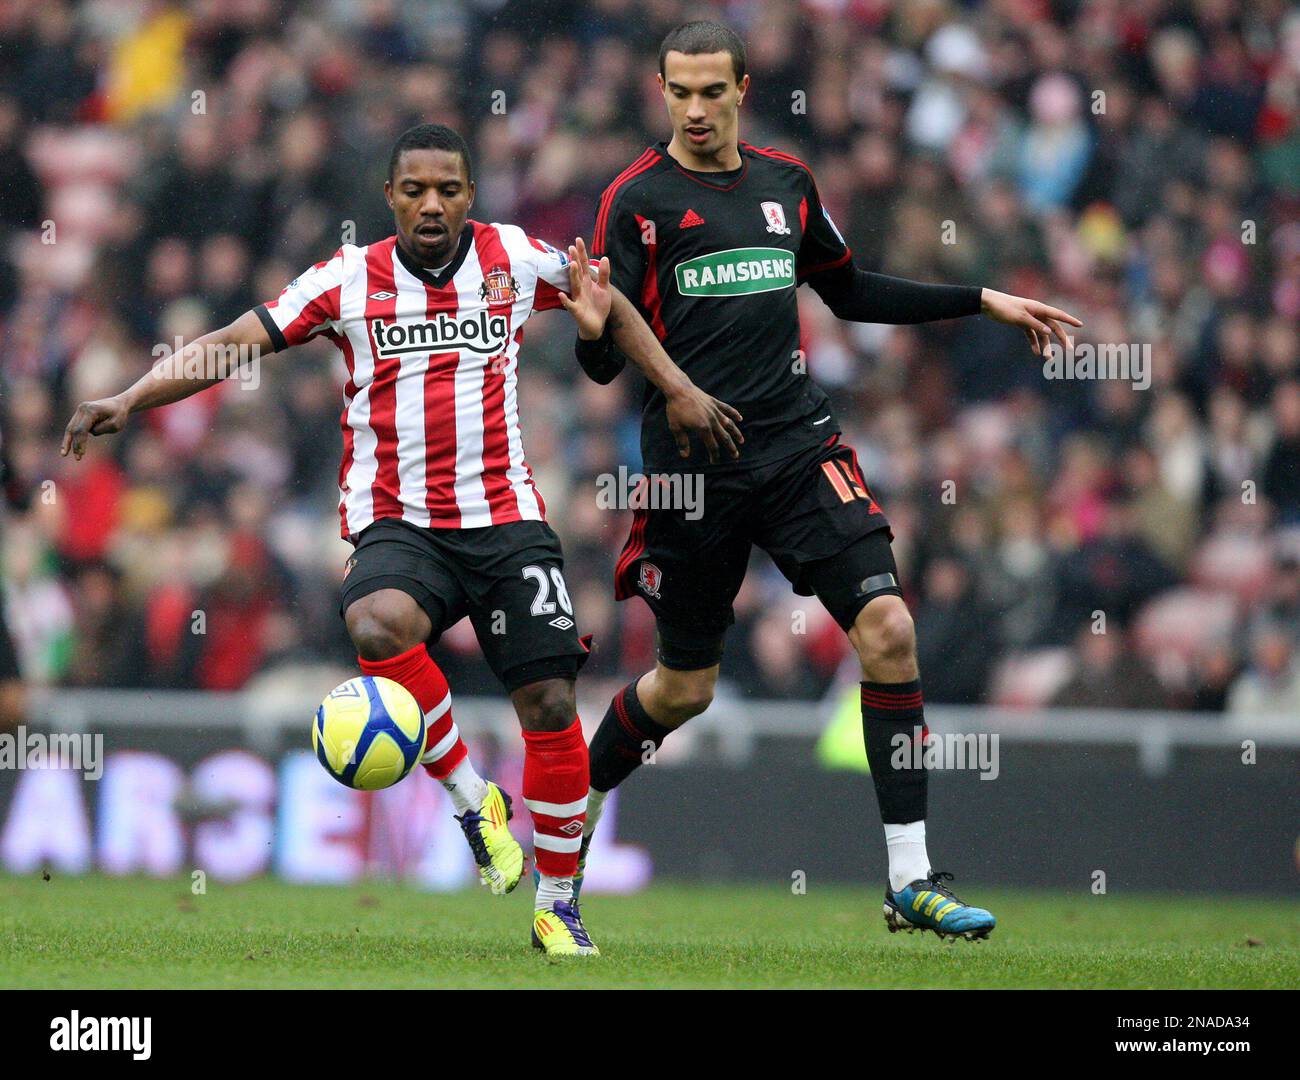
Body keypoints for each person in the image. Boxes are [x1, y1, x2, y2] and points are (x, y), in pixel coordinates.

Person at [61, 122, 741, 958]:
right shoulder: (348, 278)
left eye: (448, 189)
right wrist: (131, 397)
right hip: (398, 520)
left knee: (553, 704)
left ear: (469, 195)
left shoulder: (517, 258)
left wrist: (674, 387)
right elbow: (237, 342)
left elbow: (613, 306)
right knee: (377, 622)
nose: (431, 203)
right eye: (414, 189)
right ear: (390, 197)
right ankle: (470, 799)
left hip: (503, 519)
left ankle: (557, 904)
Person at [574, 21, 1082, 941]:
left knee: (889, 629)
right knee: (685, 688)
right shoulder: (635, 201)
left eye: (710, 91)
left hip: (797, 449)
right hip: (694, 476)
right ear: (661, 91)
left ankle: (910, 880)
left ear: (742, 87)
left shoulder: (786, 186)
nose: (695, 109)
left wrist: (980, 299)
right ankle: (566, 800)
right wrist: (587, 330)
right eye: (678, 92)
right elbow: (605, 366)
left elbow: (849, 293)